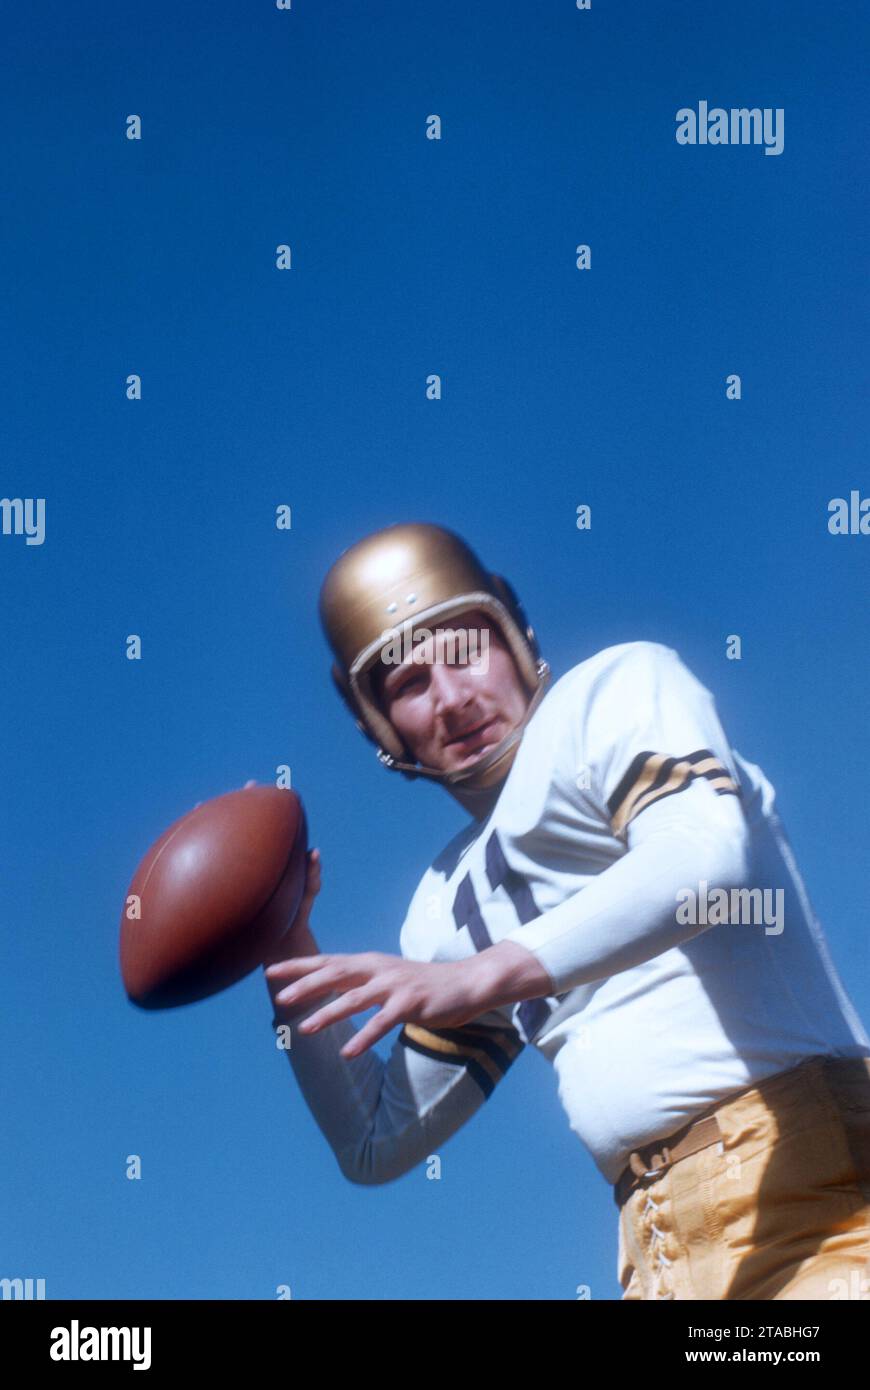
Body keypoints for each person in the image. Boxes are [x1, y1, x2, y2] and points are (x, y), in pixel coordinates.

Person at [263, 521, 870, 1300]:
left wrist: (486, 973)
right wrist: (283, 945)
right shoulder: (443, 903)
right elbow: (375, 1143)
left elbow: (706, 864)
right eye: (409, 685)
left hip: (814, 1202)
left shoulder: (614, 690)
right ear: (379, 726)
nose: (451, 698)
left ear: (513, 634)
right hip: (653, 1259)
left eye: (464, 650)